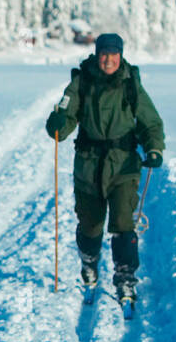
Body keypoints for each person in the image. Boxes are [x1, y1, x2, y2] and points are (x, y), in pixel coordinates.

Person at [45, 33, 165, 306]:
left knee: (123, 224)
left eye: (114, 54)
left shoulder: (130, 83)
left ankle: (125, 278)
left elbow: (151, 121)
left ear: (120, 55)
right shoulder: (82, 81)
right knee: (90, 225)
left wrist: (154, 147)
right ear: (97, 54)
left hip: (123, 166)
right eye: (104, 54)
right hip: (88, 165)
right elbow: (66, 115)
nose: (109, 59)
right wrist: (58, 125)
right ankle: (89, 262)